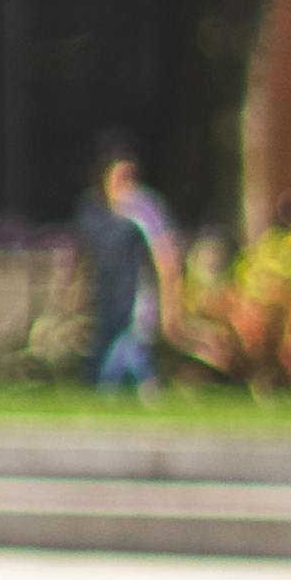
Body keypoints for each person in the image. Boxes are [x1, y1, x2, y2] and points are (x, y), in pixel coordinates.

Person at [73, 136, 179, 395]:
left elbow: (166, 259)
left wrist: (171, 307)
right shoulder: (93, 209)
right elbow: (85, 255)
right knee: (119, 361)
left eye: (130, 176)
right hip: (106, 301)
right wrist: (75, 293)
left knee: (115, 365)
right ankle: (147, 393)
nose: (125, 184)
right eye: (119, 176)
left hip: (135, 304)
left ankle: (143, 393)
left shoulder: (143, 209)